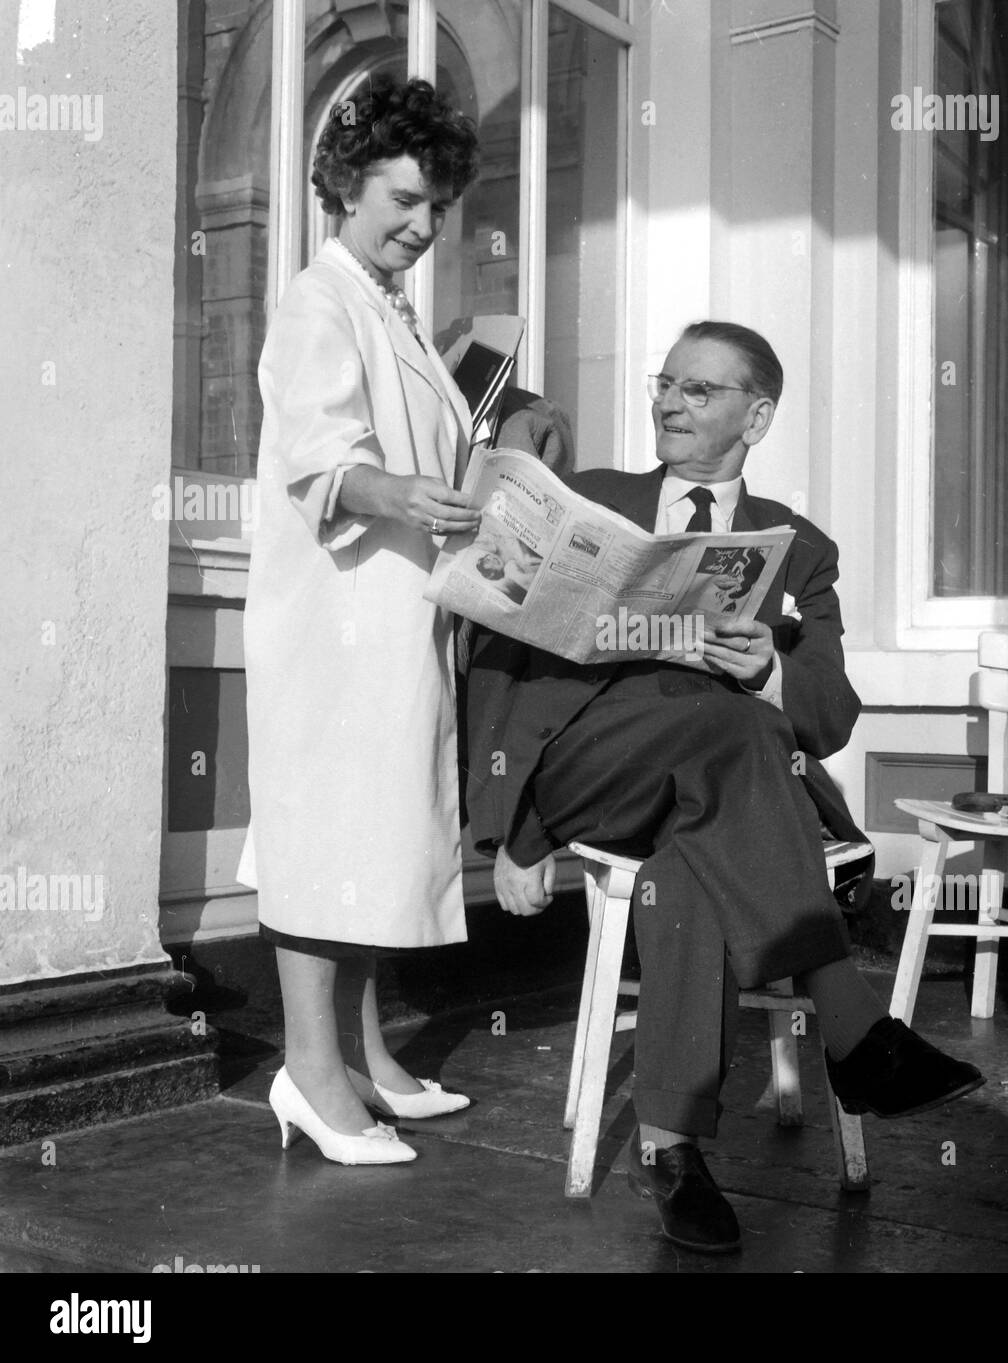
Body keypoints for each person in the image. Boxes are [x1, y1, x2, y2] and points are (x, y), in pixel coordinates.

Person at [465, 321, 986, 1251]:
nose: (670, 402)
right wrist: (511, 827)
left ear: (758, 416)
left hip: (711, 804)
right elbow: (500, 658)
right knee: (732, 727)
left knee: (691, 860)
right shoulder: (596, 501)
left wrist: (771, 672)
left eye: (699, 389)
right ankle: (852, 1024)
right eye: (665, 383)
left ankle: (670, 1150)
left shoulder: (800, 549)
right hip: (590, 771)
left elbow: (828, 711)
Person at [238, 77, 483, 1166]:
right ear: (345, 187)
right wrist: (409, 495)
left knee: (374, 837)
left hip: (393, 614)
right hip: (332, 619)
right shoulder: (317, 301)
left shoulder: (387, 308)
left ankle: (366, 1056)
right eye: (405, 199)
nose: (424, 225)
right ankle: (311, 1074)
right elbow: (322, 457)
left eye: (438, 207)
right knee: (324, 835)